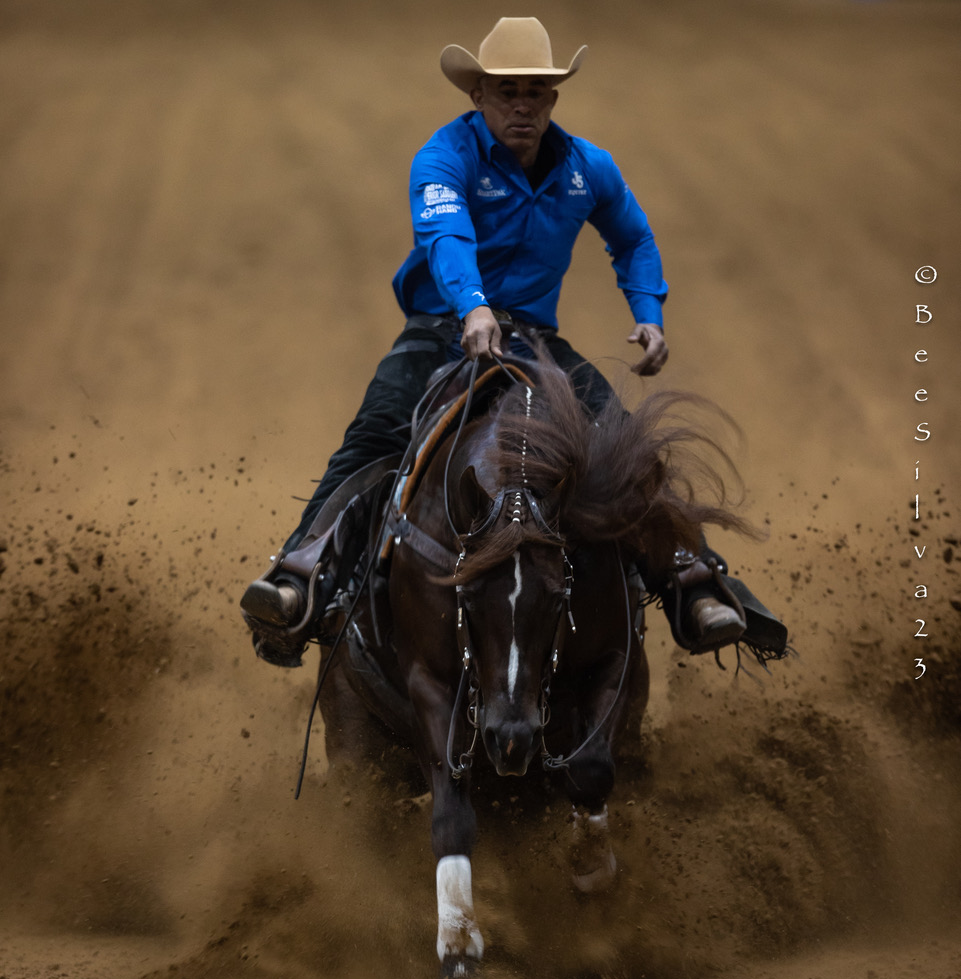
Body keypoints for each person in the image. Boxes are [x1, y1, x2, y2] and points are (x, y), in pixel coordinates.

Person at [241, 17, 786, 668]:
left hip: (532, 340)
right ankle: (298, 577)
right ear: (478, 95)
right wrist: (471, 308)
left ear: (553, 99)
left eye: (535, 92)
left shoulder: (589, 168)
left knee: (627, 450)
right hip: (441, 329)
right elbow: (448, 240)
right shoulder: (443, 157)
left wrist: (648, 313)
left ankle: (695, 584)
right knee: (374, 435)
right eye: (507, 92)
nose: (522, 104)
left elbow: (632, 237)